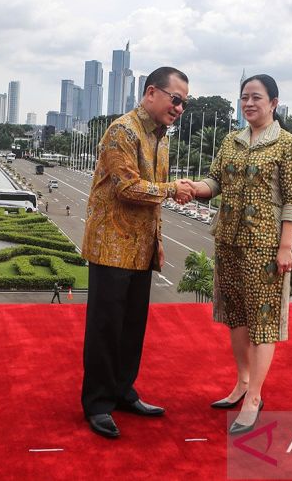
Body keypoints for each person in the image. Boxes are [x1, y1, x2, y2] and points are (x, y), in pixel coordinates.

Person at [181, 74, 292, 435]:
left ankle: (254, 397)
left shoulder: (287, 144)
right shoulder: (231, 141)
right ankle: (242, 382)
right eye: (244, 97)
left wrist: (286, 246)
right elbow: (215, 182)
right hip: (229, 241)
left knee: (262, 320)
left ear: (274, 103)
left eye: (256, 97)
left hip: (265, 245)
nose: (249, 103)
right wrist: (191, 188)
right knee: (235, 315)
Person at [81, 66, 195, 439]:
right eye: (175, 99)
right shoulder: (123, 131)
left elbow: (153, 199)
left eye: (184, 103)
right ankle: (98, 403)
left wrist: (158, 241)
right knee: (105, 329)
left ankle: (123, 392)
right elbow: (127, 187)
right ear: (151, 93)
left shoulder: (161, 137)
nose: (179, 108)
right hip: (112, 246)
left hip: (141, 248)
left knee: (132, 329)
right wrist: (172, 188)